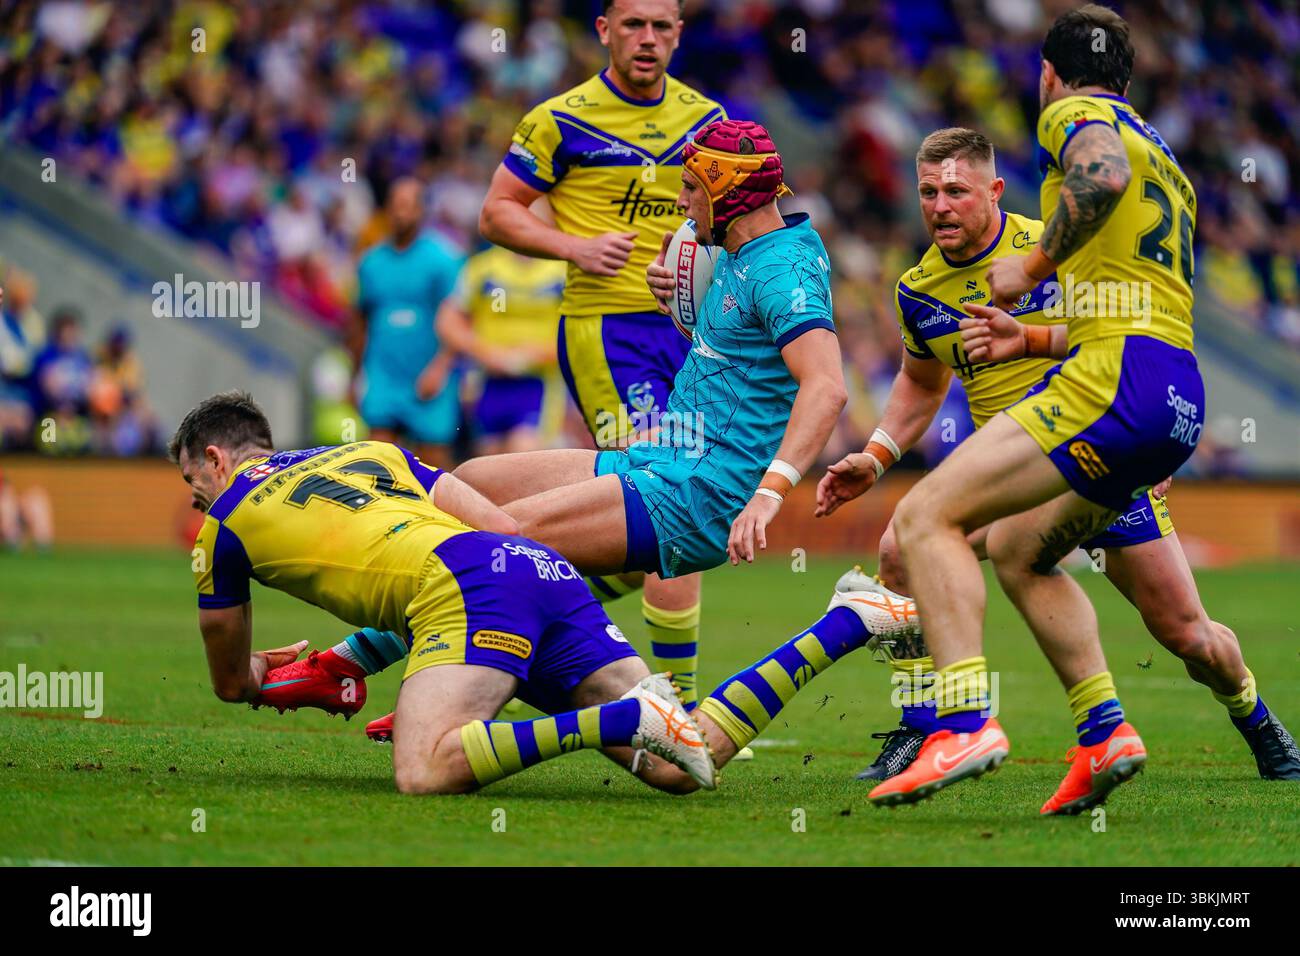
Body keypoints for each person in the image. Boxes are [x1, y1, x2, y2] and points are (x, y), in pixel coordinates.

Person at [815, 126, 1300, 793]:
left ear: (994, 191)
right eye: (928, 192)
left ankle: (1253, 714)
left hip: (1101, 452)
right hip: (1014, 479)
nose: (940, 206)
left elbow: (1123, 332)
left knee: (1189, 636)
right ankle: (927, 724)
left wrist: (1136, 428)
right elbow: (920, 386)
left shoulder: (1053, 248)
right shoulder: (919, 291)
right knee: (902, 546)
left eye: (956, 190)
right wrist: (876, 452)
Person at [171, 390, 918, 795]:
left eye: (191, 483)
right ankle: (852, 618)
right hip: (529, 569)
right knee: (677, 762)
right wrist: (490, 659)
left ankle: (627, 715)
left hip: (461, 596)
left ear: (214, 458)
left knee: (424, 767)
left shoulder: (223, 529)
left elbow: (228, 677)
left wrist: (267, 680)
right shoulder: (368, 452)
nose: (196, 500)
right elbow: (498, 523)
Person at [851, 5, 1208, 812]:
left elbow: (1101, 176)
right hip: (1174, 383)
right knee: (1017, 549)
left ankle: (964, 720)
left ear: (1048, 76)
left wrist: (1034, 263)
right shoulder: (1169, 155)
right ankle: (1104, 729)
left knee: (922, 520)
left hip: (1110, 377)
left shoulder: (1075, 116)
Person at [479, 0, 725, 712]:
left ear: (679, 35)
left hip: (692, 336)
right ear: (604, 31)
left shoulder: (708, 122)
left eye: (662, 27)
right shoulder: (560, 119)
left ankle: (498, 618)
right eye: (634, 25)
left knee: (649, 522)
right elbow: (498, 210)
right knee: (671, 492)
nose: (648, 39)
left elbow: (745, 214)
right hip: (608, 333)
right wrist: (572, 246)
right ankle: (676, 707)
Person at [350, 178, 464, 469]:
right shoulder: (371, 263)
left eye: (409, 206)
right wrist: (356, 373)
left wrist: (440, 368)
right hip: (383, 377)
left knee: (435, 470)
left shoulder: (444, 260)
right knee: (378, 464)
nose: (401, 213)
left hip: (427, 377)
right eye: (396, 206)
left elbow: (461, 319)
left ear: (422, 211)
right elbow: (360, 321)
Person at [434, 241, 567, 456]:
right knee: (488, 467)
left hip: (537, 384)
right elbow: (447, 321)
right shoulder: (483, 267)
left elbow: (579, 332)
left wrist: (539, 353)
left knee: (524, 458)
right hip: (487, 382)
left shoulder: (561, 271)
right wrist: (485, 353)